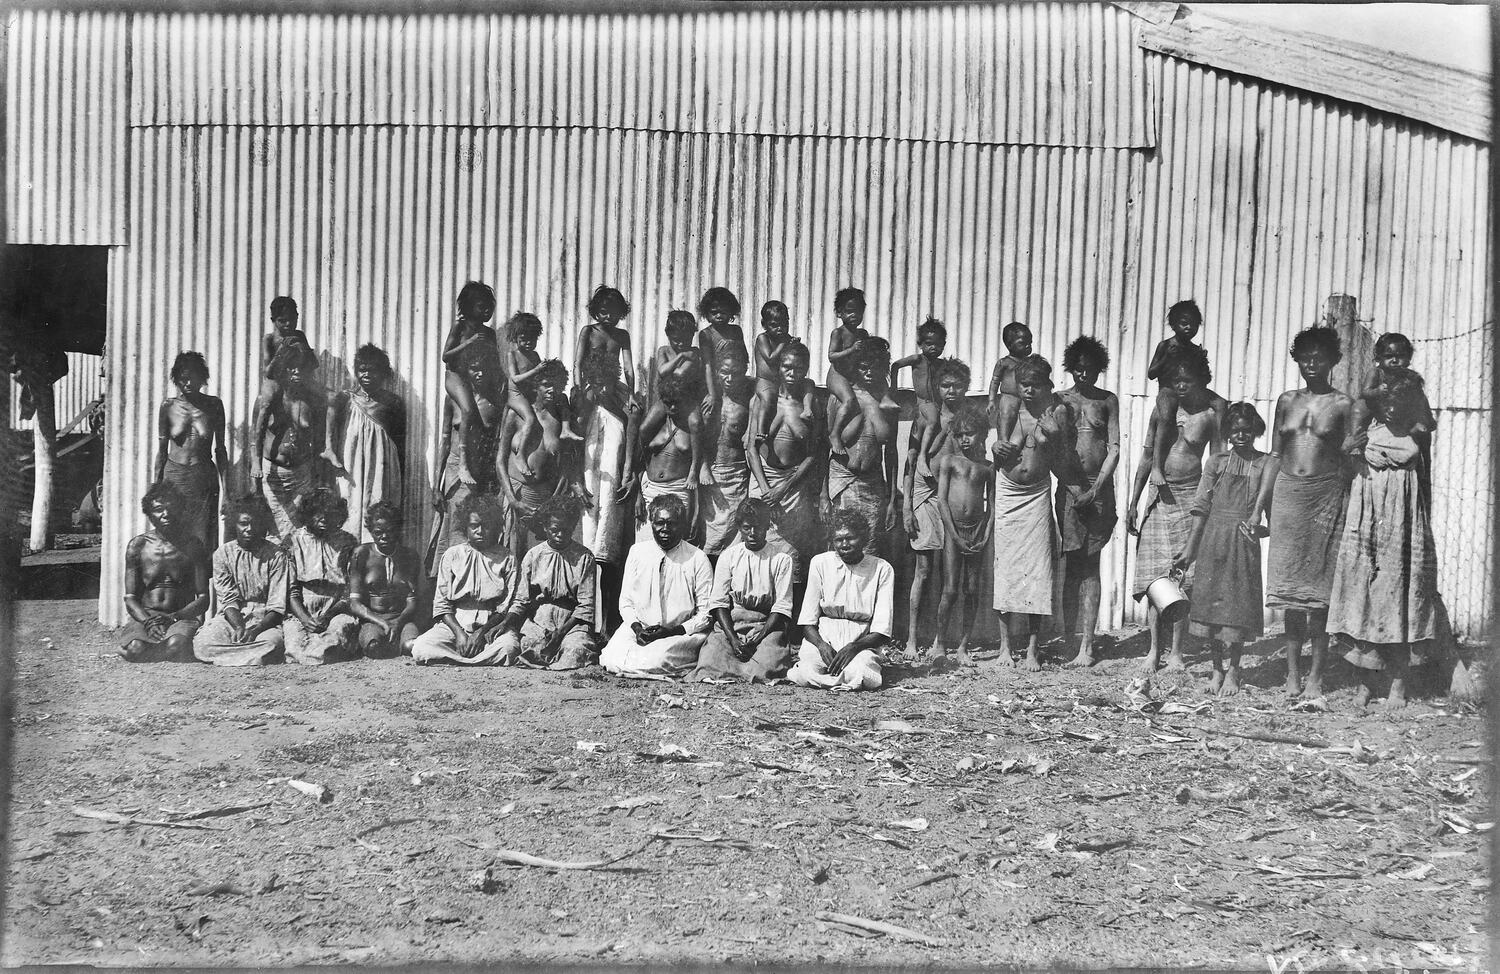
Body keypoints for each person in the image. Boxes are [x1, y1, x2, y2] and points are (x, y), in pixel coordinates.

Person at [1249, 326, 1354, 697]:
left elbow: (1351, 457)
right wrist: (1259, 506)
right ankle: (1293, 674)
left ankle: (1316, 676)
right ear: (1297, 359)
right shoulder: (1286, 400)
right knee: (1290, 593)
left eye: (1319, 358)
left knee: (1319, 594)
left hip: (1326, 497)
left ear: (1332, 361)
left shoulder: (1344, 404)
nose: (1311, 364)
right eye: (1305, 357)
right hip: (1288, 496)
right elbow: (1276, 455)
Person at [1328, 369, 1442, 710]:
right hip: (1367, 514)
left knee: (1399, 596)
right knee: (1364, 593)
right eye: (1386, 402)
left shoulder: (1416, 434)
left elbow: (1424, 478)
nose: (1392, 408)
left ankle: (1397, 683)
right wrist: (1349, 454)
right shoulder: (1367, 430)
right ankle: (1364, 683)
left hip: (1401, 517)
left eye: (1399, 402)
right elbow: (1345, 469)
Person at [1171, 403, 1272, 696]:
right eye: (1235, 430)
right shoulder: (1215, 461)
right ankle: (1216, 670)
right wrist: (1190, 549)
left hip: (1243, 541)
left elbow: (1270, 509)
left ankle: (1234, 671)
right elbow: (1201, 507)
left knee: (1237, 608)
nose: (1241, 435)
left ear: (1256, 431)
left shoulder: (1265, 463)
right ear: (1227, 432)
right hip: (1213, 539)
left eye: (1247, 430)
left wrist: (1264, 529)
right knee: (1211, 606)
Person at [1130, 356, 1220, 674]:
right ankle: (1154, 651)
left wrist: (1209, 507)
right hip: (1159, 498)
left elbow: (1216, 464)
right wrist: (1133, 503)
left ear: (1200, 380)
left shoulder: (1209, 417)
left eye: (1188, 379)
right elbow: (1145, 458)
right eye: (1176, 380)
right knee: (1155, 579)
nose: (1182, 385)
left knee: (1181, 580)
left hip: (1190, 498)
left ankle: (1177, 654)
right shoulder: (1162, 412)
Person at [990, 357, 1073, 671]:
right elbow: (996, 453)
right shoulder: (1009, 408)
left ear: (1046, 385)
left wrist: (1055, 436)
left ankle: (1033, 651)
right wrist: (997, 448)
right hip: (1009, 492)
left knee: (1038, 571)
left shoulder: (1056, 412)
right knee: (1006, 569)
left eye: (1034, 385)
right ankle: (1004, 647)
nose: (1028, 390)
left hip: (1037, 492)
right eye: (1023, 384)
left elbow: (1064, 462)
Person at [1127, 301, 1228, 522]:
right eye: (1183, 324)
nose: (1188, 328)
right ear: (1173, 325)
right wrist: (1166, 358)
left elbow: (1201, 374)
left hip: (1191, 488)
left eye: (1193, 325)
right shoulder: (1165, 345)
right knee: (1166, 415)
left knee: (1222, 403)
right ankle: (1158, 467)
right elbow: (1152, 373)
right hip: (1167, 390)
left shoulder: (1195, 350)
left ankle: (1219, 464)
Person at [1056, 336, 1120, 667]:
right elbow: (1052, 449)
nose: (1084, 375)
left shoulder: (1107, 400)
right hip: (1068, 489)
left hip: (1099, 489)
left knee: (1091, 565)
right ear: (1071, 368)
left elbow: (1114, 447)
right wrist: (1071, 487)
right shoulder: (1059, 400)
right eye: (1078, 369)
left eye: (1090, 369)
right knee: (1070, 565)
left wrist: (1097, 489)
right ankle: (1069, 643)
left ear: (1099, 369)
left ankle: (1088, 647)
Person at [600, 495, 714, 679]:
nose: (665, 529)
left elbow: (706, 614)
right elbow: (626, 602)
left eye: (672, 523)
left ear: (682, 525)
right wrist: (637, 629)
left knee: (657, 659)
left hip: (680, 633)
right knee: (610, 658)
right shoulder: (637, 552)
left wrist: (672, 631)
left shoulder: (697, 558)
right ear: (651, 522)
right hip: (641, 629)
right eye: (659, 522)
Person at [747, 340, 825, 594]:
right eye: (787, 367)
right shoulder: (763, 401)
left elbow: (814, 455)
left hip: (794, 484)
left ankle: (788, 621)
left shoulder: (810, 407)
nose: (792, 374)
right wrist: (766, 489)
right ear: (778, 368)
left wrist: (784, 488)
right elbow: (752, 449)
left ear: (806, 370)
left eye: (798, 369)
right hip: (763, 480)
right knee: (758, 543)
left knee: (792, 552)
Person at [690, 498, 795, 682]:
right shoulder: (729, 556)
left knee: (766, 667)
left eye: (758, 527)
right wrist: (733, 639)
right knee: (710, 660)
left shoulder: (781, 558)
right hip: (734, 624)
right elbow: (719, 603)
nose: (753, 533)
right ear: (739, 527)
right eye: (747, 528)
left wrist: (757, 639)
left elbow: (781, 606)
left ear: (767, 526)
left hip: (766, 626)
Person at [788, 510, 894, 691]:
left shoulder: (882, 568)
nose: (844, 544)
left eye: (850, 538)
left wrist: (854, 647)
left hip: (862, 640)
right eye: (838, 540)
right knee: (805, 669)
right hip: (824, 636)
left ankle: (834, 679)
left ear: (864, 538)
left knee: (861, 670)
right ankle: (841, 681)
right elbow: (807, 621)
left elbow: (882, 630)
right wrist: (822, 646)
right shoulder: (820, 563)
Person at [903, 358, 968, 654]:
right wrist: (906, 507)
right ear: (937, 387)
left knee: (951, 574)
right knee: (924, 570)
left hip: (954, 498)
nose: (951, 391)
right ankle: (912, 640)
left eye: (957, 385)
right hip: (925, 495)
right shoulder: (927, 415)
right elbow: (911, 460)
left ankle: (940, 642)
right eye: (945, 385)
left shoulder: (969, 418)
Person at [426, 342, 507, 574]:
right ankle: (448, 592)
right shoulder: (453, 399)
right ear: (466, 370)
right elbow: (444, 442)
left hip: (483, 474)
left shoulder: (495, 402)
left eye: (483, 368)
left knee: (483, 532)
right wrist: (436, 487)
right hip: (456, 472)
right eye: (473, 369)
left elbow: (499, 442)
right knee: (456, 531)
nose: (479, 374)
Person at [411, 493, 518, 666]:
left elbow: (507, 604)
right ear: (465, 527)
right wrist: (460, 634)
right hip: (456, 622)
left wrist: (481, 633)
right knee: (421, 648)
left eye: (486, 526)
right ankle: (476, 657)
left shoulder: (507, 557)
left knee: (509, 647)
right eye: (474, 526)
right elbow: (442, 604)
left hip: (491, 623)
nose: (480, 531)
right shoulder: (452, 555)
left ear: (496, 526)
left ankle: (458, 658)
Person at [576, 347, 640, 633]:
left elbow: (634, 438)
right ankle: (585, 621)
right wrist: (576, 482)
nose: (602, 387)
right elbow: (572, 442)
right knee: (587, 549)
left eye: (607, 381)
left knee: (608, 553)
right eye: (597, 380)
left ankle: (607, 624)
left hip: (613, 483)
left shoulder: (624, 397)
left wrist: (630, 474)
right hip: (588, 483)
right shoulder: (584, 397)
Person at [495, 495, 600, 669]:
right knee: (528, 646)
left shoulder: (585, 557)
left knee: (576, 650)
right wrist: (506, 623)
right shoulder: (533, 556)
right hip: (540, 620)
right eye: (555, 529)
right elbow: (521, 600)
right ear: (545, 527)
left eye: (566, 530)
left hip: (572, 622)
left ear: (573, 526)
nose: (560, 534)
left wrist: (561, 633)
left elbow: (586, 606)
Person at [931, 405, 994, 667]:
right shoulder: (949, 462)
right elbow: (942, 501)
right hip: (953, 532)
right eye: (960, 435)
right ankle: (940, 644)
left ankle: (963, 646)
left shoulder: (987, 467)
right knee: (950, 589)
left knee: (971, 589)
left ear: (982, 434)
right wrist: (954, 536)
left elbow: (992, 505)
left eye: (971, 434)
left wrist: (985, 534)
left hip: (977, 531)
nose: (965, 439)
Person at [497, 359, 579, 562]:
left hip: (545, 500)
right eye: (546, 384)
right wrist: (514, 501)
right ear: (536, 385)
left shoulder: (561, 420)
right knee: (512, 558)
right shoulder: (516, 415)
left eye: (557, 385)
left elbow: (566, 467)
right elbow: (500, 461)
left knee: (541, 559)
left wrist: (552, 503)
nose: (552, 390)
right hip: (516, 495)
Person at [120, 483, 209, 662]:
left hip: (180, 616)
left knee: (176, 647)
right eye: (159, 509)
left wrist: (174, 618)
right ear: (149, 514)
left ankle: (156, 646)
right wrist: (147, 621)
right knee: (136, 650)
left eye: (171, 508)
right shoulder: (137, 546)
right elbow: (130, 597)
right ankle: (135, 646)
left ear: (180, 509)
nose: (166, 514)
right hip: (147, 616)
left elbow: (203, 598)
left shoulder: (193, 545)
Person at [194, 500, 290, 666]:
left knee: (272, 644)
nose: (249, 529)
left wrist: (257, 629)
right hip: (231, 617)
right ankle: (251, 657)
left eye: (255, 523)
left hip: (265, 619)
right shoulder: (223, 554)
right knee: (203, 643)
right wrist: (239, 627)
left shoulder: (277, 555)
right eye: (244, 524)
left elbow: (277, 604)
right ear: (234, 524)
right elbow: (228, 599)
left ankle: (228, 657)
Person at [826, 338, 899, 557]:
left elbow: (892, 453)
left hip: (873, 485)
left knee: (870, 551)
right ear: (855, 366)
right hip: (843, 482)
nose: (868, 372)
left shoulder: (887, 404)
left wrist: (892, 499)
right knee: (843, 548)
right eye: (863, 367)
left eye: (874, 367)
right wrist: (822, 496)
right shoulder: (840, 400)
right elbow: (823, 449)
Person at [327, 344, 405, 543]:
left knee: (378, 507)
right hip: (351, 468)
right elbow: (330, 427)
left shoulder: (393, 403)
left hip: (381, 468)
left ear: (383, 373)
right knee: (351, 507)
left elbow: (399, 445)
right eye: (363, 369)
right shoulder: (344, 399)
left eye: (373, 370)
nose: (367, 374)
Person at [154, 351, 230, 548]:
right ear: (176, 379)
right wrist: (156, 488)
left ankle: (202, 579)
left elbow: (220, 450)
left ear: (202, 378)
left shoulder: (214, 405)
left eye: (193, 378)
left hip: (202, 477)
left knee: (204, 538)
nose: (188, 383)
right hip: (174, 477)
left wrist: (227, 494)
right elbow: (162, 450)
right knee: (173, 536)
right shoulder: (168, 406)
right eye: (183, 379)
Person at [253, 344, 328, 539]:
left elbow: (319, 441)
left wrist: (317, 475)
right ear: (283, 369)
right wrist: (255, 474)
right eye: (291, 367)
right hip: (273, 474)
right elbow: (256, 436)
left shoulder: (314, 400)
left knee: (301, 531)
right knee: (274, 532)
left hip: (301, 474)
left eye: (301, 367)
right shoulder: (268, 399)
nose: (296, 371)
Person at [282, 488, 359, 665]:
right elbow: (291, 590)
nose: (323, 518)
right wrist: (304, 619)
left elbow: (350, 590)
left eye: (329, 513)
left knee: (334, 639)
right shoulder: (293, 541)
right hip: (301, 610)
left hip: (337, 608)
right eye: (317, 513)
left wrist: (328, 616)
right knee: (294, 646)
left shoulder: (348, 542)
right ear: (307, 514)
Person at [347, 501, 423, 659]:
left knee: (412, 648)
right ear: (370, 531)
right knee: (374, 647)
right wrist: (382, 623)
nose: (384, 537)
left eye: (390, 531)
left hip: (401, 618)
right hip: (372, 619)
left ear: (398, 531)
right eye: (378, 532)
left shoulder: (409, 556)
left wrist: (397, 623)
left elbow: (412, 602)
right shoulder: (361, 554)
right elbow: (355, 604)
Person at [1347, 333, 1437, 467]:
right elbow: (1365, 392)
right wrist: (1377, 391)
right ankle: (1355, 441)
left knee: (1420, 413)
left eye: (1400, 356)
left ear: (1409, 358)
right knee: (1358, 408)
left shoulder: (1411, 376)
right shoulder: (1376, 373)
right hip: (1374, 406)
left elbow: (1419, 399)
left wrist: (1420, 419)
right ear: (1378, 358)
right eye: (1389, 357)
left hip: (1401, 413)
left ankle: (1417, 427)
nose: (1395, 360)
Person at [699, 345, 754, 558]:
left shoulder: (749, 402)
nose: (729, 378)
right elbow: (700, 437)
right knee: (708, 538)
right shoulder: (709, 400)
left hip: (736, 473)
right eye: (724, 372)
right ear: (716, 372)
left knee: (732, 537)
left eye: (735, 373)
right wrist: (704, 466)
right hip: (710, 474)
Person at [636, 372, 704, 537]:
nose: (673, 408)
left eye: (677, 403)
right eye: (668, 403)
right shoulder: (652, 426)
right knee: (646, 548)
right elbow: (639, 462)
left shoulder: (693, 426)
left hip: (678, 490)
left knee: (676, 549)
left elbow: (698, 472)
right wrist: (638, 495)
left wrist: (696, 514)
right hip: (650, 490)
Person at [252, 296, 318, 446]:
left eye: (293, 319)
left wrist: (302, 372)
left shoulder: (299, 335)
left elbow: (313, 364)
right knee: (266, 405)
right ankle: (256, 455)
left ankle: (323, 448)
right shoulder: (269, 339)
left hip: (296, 380)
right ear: (273, 320)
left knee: (325, 400)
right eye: (283, 320)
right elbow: (268, 373)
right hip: (276, 382)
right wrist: (281, 351)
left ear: (297, 317)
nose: (289, 324)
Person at [823, 287, 898, 417]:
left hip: (855, 372)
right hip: (838, 374)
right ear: (839, 313)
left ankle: (886, 398)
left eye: (858, 312)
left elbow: (869, 353)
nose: (854, 315)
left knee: (881, 379)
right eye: (849, 311)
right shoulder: (838, 333)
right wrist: (851, 350)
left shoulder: (862, 333)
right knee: (849, 400)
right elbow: (831, 356)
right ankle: (835, 432)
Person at [439, 281, 500, 437]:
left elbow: (493, 361)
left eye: (489, 307)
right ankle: (463, 456)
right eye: (481, 307)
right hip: (456, 376)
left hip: (477, 378)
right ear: (469, 307)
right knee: (468, 410)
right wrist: (468, 342)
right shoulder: (460, 326)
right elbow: (445, 357)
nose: (487, 311)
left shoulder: (489, 333)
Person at [573, 285, 637, 421]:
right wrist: (578, 390)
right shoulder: (588, 331)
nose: (609, 317)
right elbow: (577, 364)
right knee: (581, 417)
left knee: (635, 413)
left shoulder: (622, 335)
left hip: (612, 384)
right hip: (591, 383)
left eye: (614, 313)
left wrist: (631, 395)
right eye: (603, 312)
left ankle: (630, 443)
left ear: (621, 313)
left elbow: (628, 367)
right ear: (596, 311)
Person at [696, 287, 748, 415]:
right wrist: (712, 394)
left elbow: (744, 357)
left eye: (723, 312)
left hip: (733, 379)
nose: (719, 316)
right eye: (714, 312)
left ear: (731, 313)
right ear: (706, 314)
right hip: (713, 382)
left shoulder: (736, 331)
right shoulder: (706, 334)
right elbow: (707, 366)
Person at [986, 321, 1036, 440]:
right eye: (1023, 343)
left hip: (1026, 398)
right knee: (1006, 416)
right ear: (1010, 345)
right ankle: (1003, 440)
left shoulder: (1030, 363)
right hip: (1009, 397)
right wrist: (991, 400)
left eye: (1030, 343)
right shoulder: (1004, 362)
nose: (1028, 346)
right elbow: (995, 382)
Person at [890, 317, 947, 407]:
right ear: (920, 344)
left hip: (938, 402)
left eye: (938, 344)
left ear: (944, 344)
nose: (933, 347)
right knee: (930, 419)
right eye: (929, 344)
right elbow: (895, 365)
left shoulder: (943, 363)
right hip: (923, 402)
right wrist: (894, 388)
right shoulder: (917, 359)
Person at [654, 310, 705, 408]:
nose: (681, 344)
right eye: (676, 340)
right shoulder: (664, 350)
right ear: (668, 335)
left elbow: (679, 373)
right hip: (666, 400)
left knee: (695, 422)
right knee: (646, 424)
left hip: (687, 401)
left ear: (692, 335)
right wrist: (681, 356)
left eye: (686, 340)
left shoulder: (694, 352)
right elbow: (662, 371)